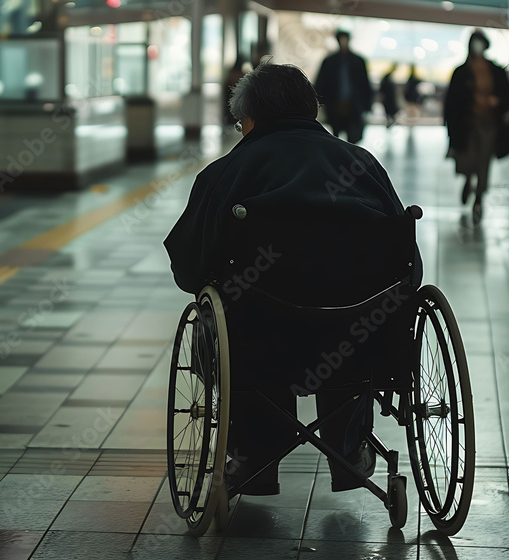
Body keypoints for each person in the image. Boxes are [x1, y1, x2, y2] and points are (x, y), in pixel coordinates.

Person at [164, 62, 421, 495]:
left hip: (260, 345)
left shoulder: (226, 173)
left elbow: (189, 268)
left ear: (248, 120)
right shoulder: (360, 164)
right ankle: (350, 452)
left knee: (236, 319)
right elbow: (406, 266)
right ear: (310, 111)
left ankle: (254, 459)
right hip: (357, 340)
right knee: (356, 324)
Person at [443, 30, 509, 223]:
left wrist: (497, 101)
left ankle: (479, 197)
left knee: (484, 160)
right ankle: (468, 179)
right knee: (469, 157)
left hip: (490, 122)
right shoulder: (461, 72)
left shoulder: (496, 71)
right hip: (467, 123)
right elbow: (452, 102)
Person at [314, 30, 372, 143]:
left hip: (353, 104)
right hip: (335, 104)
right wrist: (321, 103)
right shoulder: (330, 61)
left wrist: (366, 105)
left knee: (353, 136)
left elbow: (365, 84)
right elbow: (321, 83)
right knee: (336, 134)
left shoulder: (357, 61)